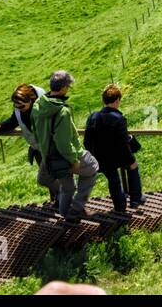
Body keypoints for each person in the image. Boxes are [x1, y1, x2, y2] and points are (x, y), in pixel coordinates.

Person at [32, 70, 100, 224]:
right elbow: (63, 142)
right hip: (65, 154)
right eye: (68, 86)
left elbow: (35, 131)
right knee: (93, 168)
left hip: (49, 156)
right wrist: (74, 160)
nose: (68, 89)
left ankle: (65, 215)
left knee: (67, 186)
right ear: (63, 88)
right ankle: (76, 209)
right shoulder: (62, 111)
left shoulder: (38, 105)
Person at [0, 82, 57, 202]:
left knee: (53, 177)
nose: (19, 109)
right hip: (39, 149)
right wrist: (0, 125)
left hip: (54, 149)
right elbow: (14, 120)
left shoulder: (46, 106)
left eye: (21, 106)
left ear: (32, 100)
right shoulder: (20, 107)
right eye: (16, 106)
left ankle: (67, 201)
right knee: (48, 179)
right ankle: (57, 201)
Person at [83, 85, 142, 215]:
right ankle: (135, 199)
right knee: (133, 166)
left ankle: (120, 207)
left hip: (98, 158)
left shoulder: (92, 117)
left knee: (114, 180)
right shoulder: (118, 118)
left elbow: (86, 141)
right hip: (115, 157)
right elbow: (123, 143)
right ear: (116, 101)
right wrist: (131, 160)